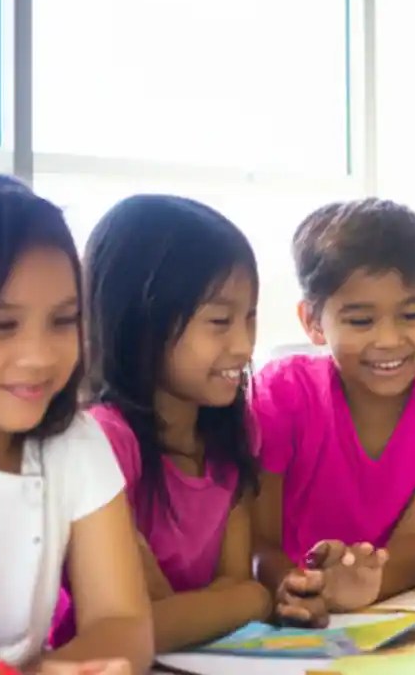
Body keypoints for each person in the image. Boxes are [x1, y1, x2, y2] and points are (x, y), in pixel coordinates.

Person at [0, 174, 151, 674]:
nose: (39, 356)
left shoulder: (75, 442)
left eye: (64, 321)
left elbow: (122, 620)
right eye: (0, 325)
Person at [251, 198, 415, 627]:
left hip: (393, 614)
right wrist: (293, 585)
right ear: (311, 321)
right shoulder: (279, 394)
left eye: (412, 315)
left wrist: (365, 585)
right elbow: (257, 542)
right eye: (361, 321)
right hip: (288, 615)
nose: (389, 340)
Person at [51, 196, 270, 652]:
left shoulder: (231, 432)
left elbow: (234, 588)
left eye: (250, 318)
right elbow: (143, 626)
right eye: (219, 321)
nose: (244, 345)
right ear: (140, 321)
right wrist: (245, 598)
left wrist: (240, 598)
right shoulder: (105, 441)